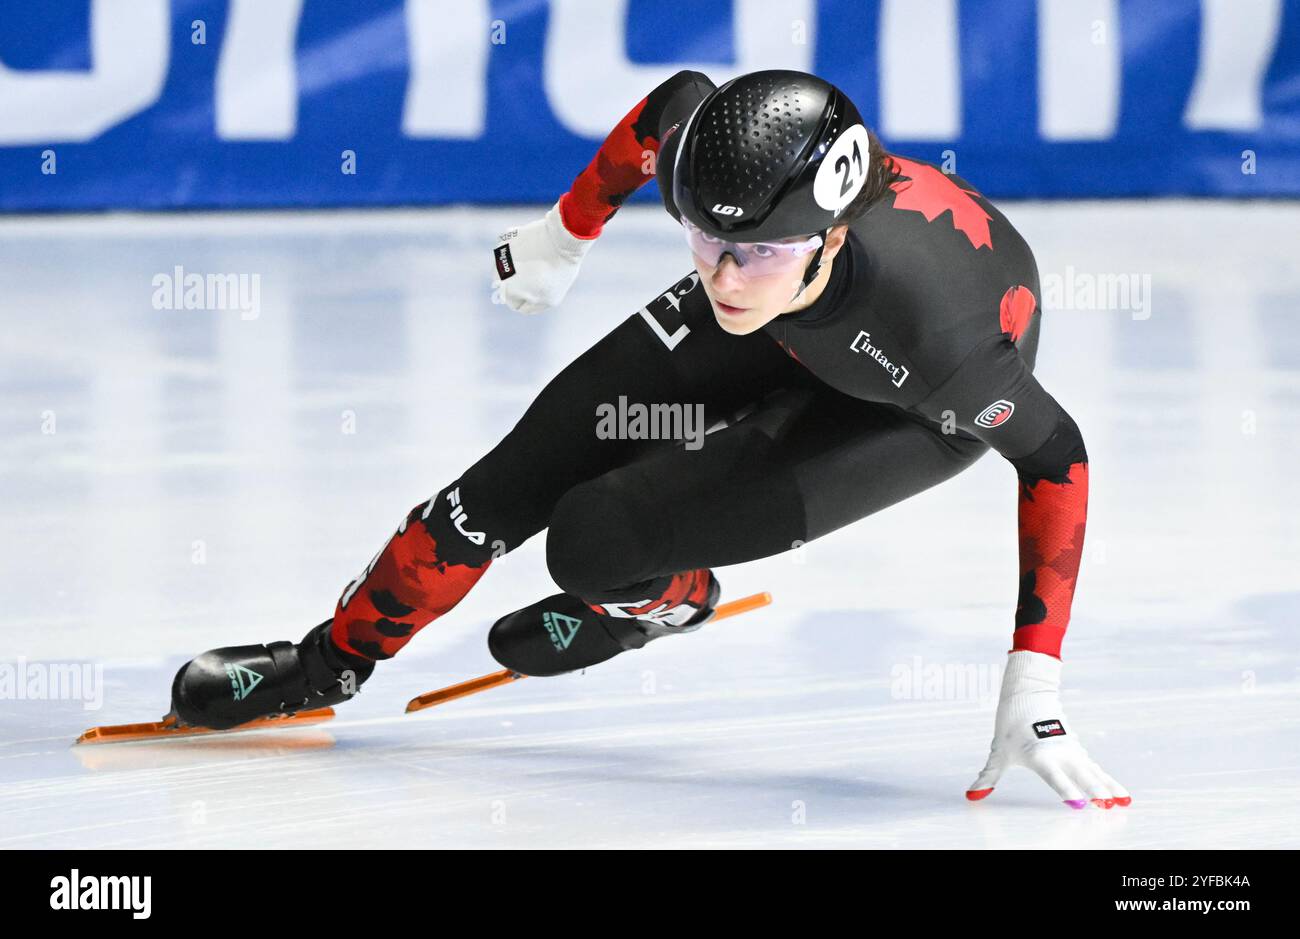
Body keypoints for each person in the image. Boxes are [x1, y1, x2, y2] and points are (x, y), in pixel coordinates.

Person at [171, 69, 1129, 810]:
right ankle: (326, 664)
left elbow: (1059, 456)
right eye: (700, 240)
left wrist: (1033, 674)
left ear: (830, 238)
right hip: (797, 324)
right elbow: (675, 105)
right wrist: (565, 233)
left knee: (593, 541)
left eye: (747, 250)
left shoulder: (943, 343)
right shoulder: (736, 213)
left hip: (894, 406)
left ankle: (660, 603)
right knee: (506, 485)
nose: (719, 273)